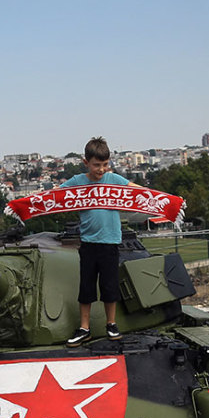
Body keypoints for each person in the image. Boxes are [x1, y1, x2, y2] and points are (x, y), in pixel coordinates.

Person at [60, 136, 139, 347]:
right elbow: (55, 196)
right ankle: (84, 328)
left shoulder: (114, 180)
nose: (101, 169)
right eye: (97, 165)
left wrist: (163, 201)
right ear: (86, 163)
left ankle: (111, 324)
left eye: (105, 164)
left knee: (109, 286)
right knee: (86, 288)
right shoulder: (78, 181)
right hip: (88, 244)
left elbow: (137, 190)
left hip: (111, 243)